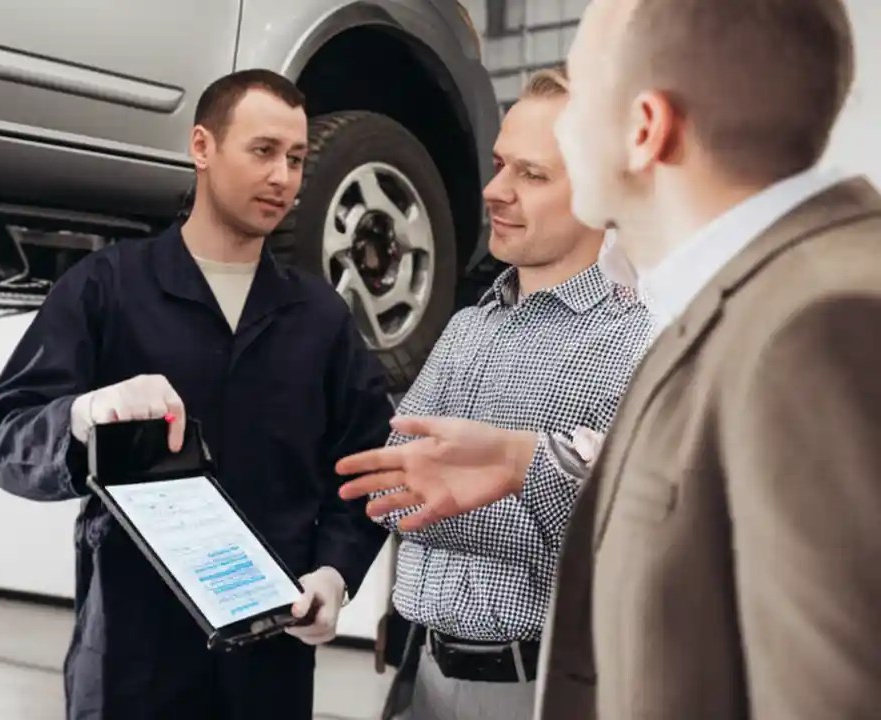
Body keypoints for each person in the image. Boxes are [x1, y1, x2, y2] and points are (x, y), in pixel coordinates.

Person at [337, 0, 881, 718]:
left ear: (643, 129)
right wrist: (534, 466)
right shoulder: (737, 307)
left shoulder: (821, 322)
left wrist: (529, 484)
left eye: (582, 91)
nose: (498, 186)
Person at [0, 68, 393, 720]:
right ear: (202, 146)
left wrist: (335, 575)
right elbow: (7, 437)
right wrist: (85, 414)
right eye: (263, 152)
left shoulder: (320, 319)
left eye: (296, 158)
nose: (283, 177)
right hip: (129, 660)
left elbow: (369, 463)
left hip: (269, 657)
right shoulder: (106, 289)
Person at [370, 68, 652, 720]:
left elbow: (606, 540)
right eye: (499, 165)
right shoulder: (467, 328)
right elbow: (388, 487)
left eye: (532, 174)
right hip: (419, 678)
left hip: (543, 691)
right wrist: (529, 488)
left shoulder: (635, 345)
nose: (495, 191)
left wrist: (457, 498)